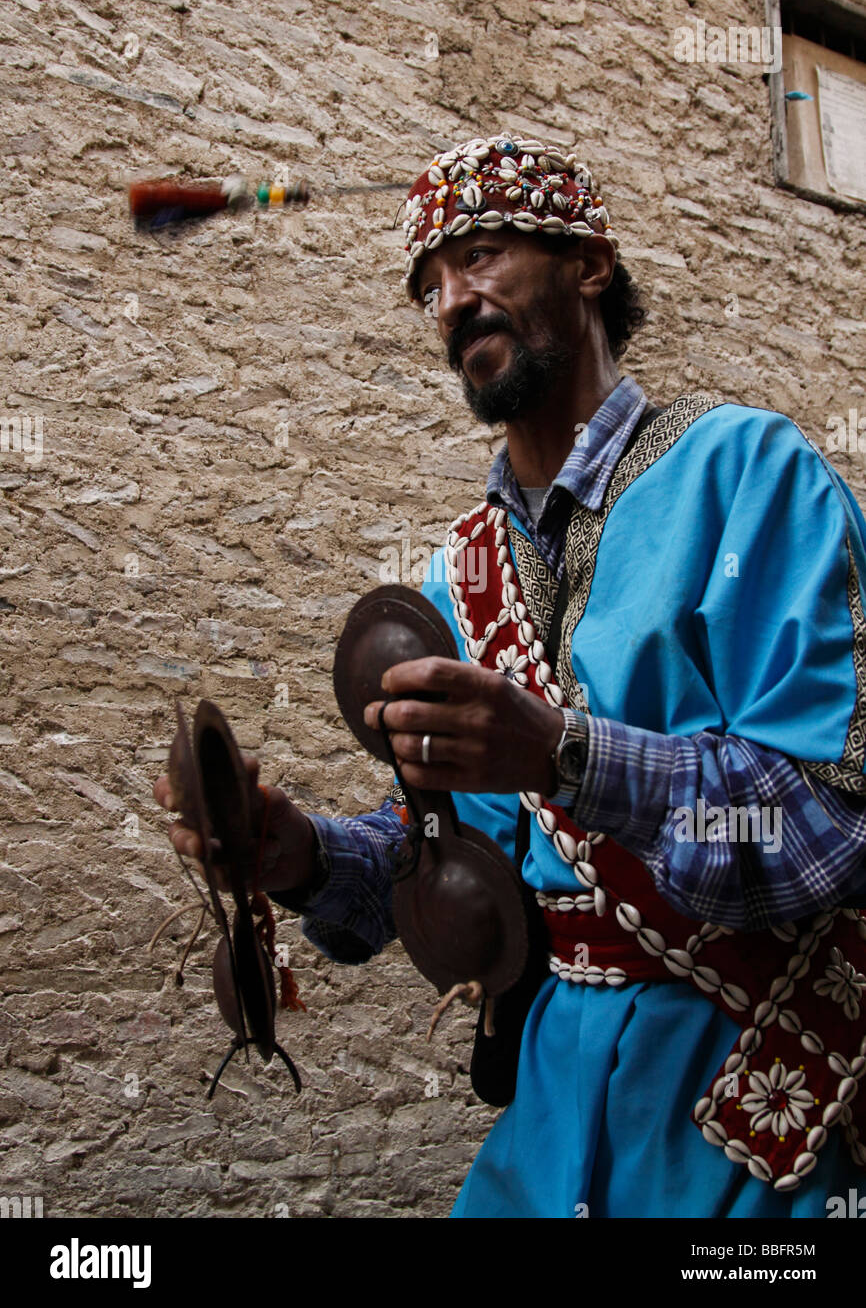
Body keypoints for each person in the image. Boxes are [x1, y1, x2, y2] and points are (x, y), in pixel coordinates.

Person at [155, 131, 866, 1218]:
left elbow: (824, 825)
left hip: (745, 1101)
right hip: (547, 1103)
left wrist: (562, 753)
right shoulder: (459, 573)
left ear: (586, 264)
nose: (452, 299)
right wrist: (295, 853)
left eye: (481, 254)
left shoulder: (748, 472)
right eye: (429, 283)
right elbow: (456, 848)